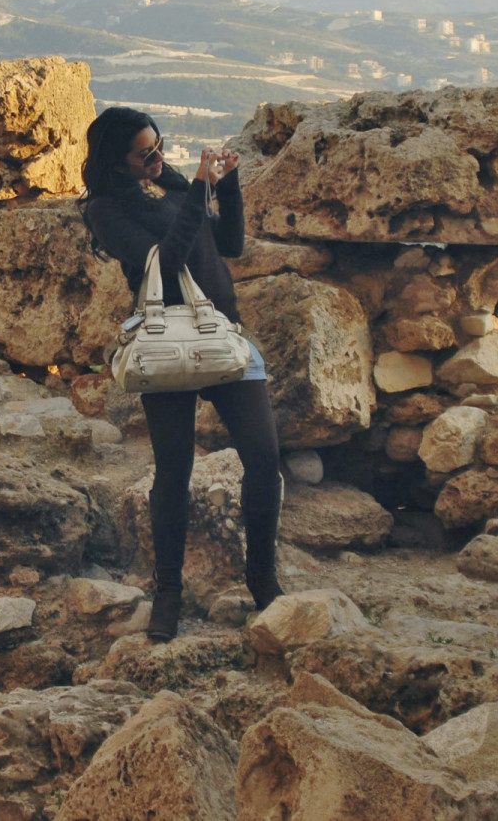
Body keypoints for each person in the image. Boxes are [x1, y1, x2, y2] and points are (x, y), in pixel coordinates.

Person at [81, 107, 282, 642]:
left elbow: (229, 245)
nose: (158, 158)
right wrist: (197, 192)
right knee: (174, 471)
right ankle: (167, 593)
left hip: (221, 331)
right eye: (145, 153)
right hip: (169, 343)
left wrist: (228, 183)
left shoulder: (167, 184)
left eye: (159, 146)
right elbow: (165, 264)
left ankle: (264, 580)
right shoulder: (106, 209)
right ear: (116, 161)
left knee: (264, 458)